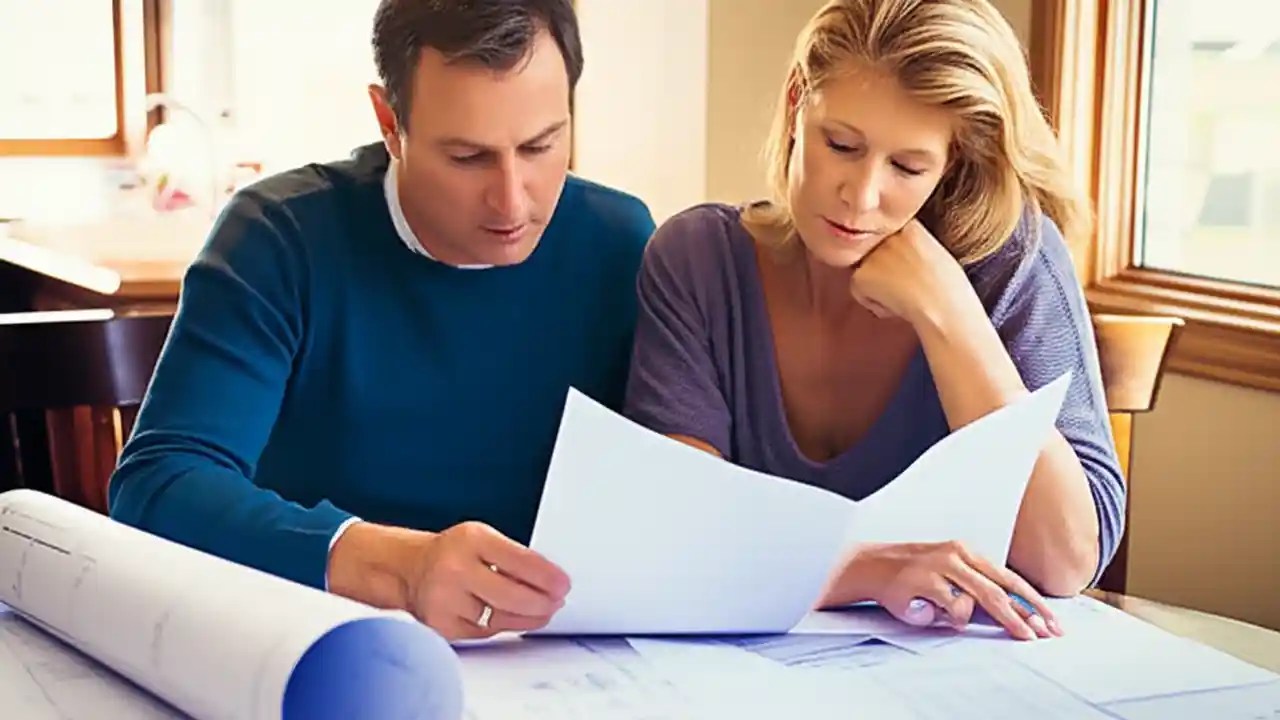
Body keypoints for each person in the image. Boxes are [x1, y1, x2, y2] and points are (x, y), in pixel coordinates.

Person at [109, 0, 656, 642]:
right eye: (467, 157)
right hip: (314, 647)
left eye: (541, 145)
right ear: (389, 123)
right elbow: (157, 484)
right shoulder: (278, 238)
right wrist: (399, 570)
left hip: (561, 667)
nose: (513, 199)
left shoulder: (621, 243)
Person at [623, 0, 1125, 642]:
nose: (860, 196)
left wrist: (948, 315)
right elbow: (677, 524)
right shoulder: (698, 260)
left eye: (907, 167)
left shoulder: (1014, 262)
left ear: (954, 162)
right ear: (796, 103)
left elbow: (1066, 561)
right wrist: (856, 571)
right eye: (841, 145)